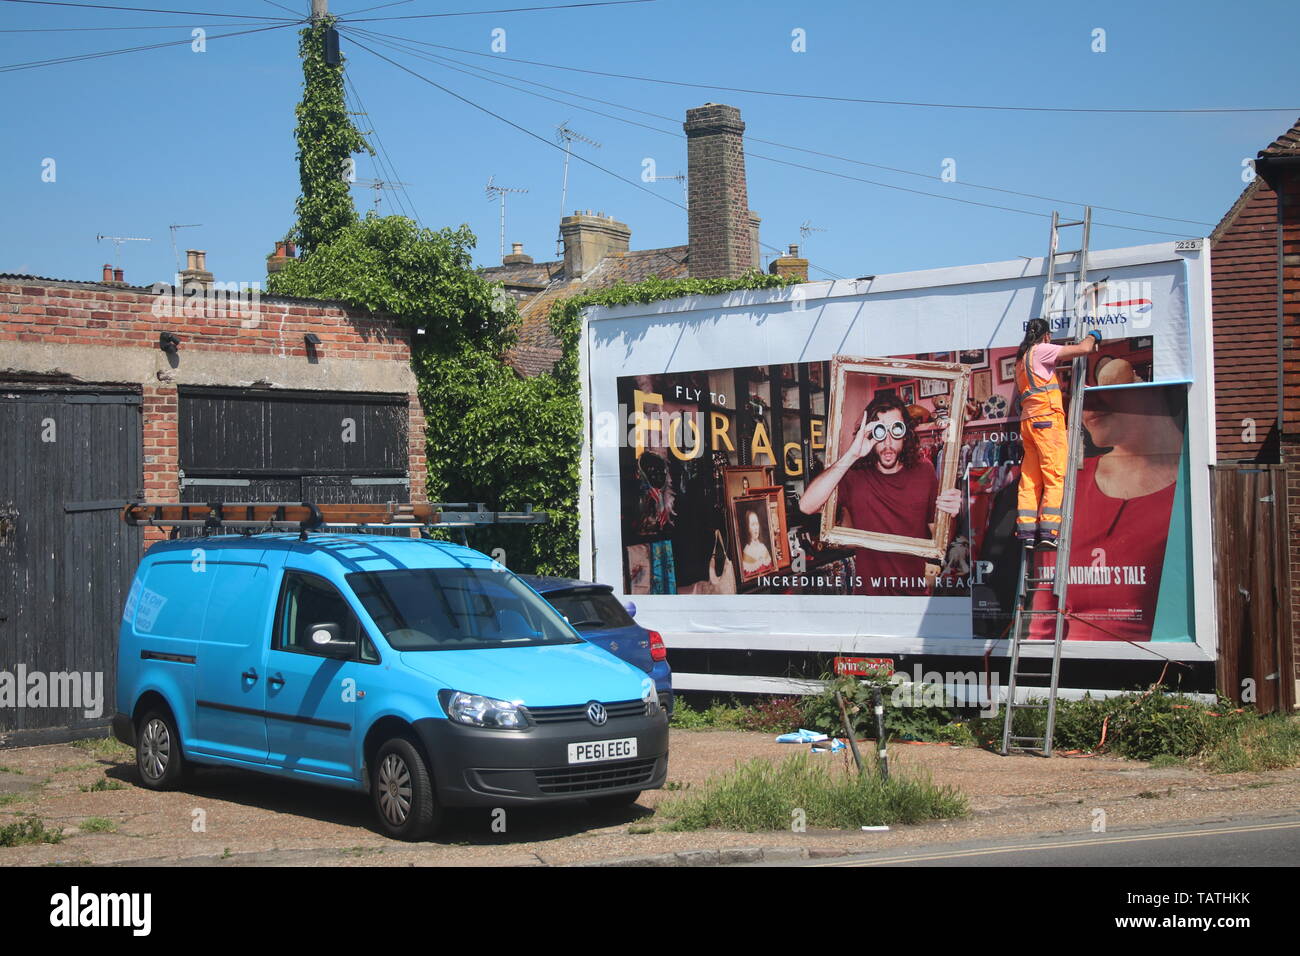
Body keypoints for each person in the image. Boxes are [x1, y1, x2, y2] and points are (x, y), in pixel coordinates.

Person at [800, 392, 961, 595]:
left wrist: (951, 514)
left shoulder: (924, 471)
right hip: (869, 600)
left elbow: (942, 541)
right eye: (879, 431)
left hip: (913, 597)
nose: (888, 443)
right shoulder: (854, 474)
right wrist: (851, 455)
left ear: (906, 433)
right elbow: (806, 506)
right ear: (869, 433)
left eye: (896, 430)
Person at [1014, 318, 1101, 550]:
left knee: (1030, 479)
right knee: (1054, 475)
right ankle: (1048, 531)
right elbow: (1083, 349)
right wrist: (1093, 336)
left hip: (1029, 423)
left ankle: (1026, 532)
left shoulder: (1021, 361)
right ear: (1046, 336)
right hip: (1046, 420)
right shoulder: (1041, 350)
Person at [740, 507, 775, 576]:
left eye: (757, 524)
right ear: (748, 528)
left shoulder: (762, 547)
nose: (756, 527)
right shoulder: (747, 551)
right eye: (753, 524)